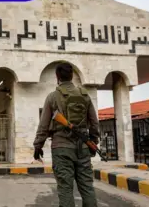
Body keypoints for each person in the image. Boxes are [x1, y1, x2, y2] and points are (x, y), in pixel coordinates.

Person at [33, 62, 100, 207]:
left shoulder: (52, 97)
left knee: (65, 189)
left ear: (57, 77)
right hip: (83, 146)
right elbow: (94, 123)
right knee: (87, 187)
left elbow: (43, 125)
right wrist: (93, 142)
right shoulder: (84, 95)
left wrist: (38, 146)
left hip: (61, 148)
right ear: (72, 76)